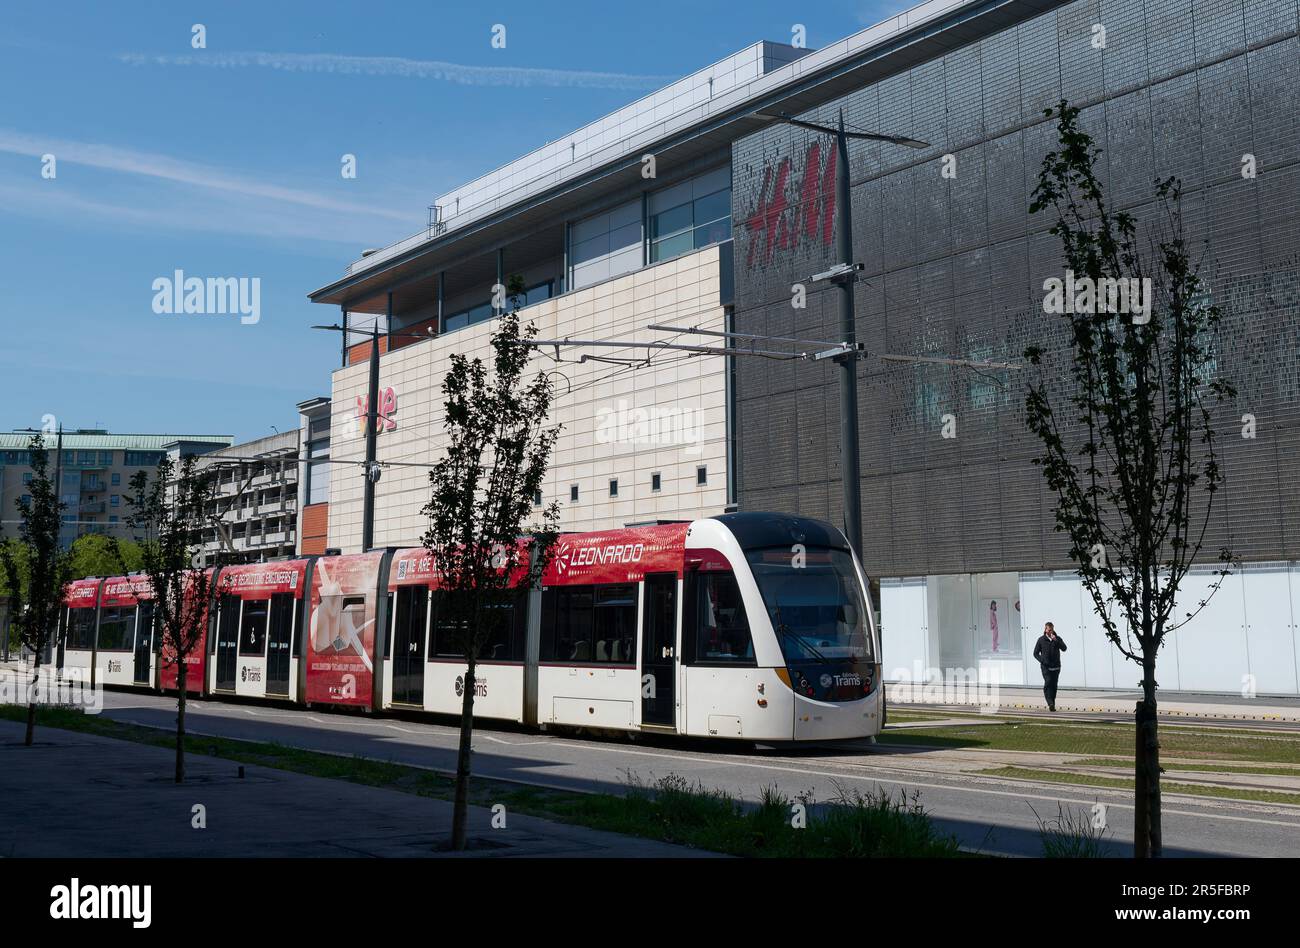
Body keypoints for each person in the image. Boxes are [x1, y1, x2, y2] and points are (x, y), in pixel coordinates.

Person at [1032, 621, 1067, 711]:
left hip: (1056, 666)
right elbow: (1035, 653)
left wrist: (1056, 640)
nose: (1050, 631)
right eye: (1048, 629)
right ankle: (1050, 702)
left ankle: (1052, 704)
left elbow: (1064, 648)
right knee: (1048, 682)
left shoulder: (1057, 639)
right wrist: (1042, 660)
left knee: (1054, 685)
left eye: (1051, 630)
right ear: (1045, 630)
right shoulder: (1041, 640)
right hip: (1046, 667)